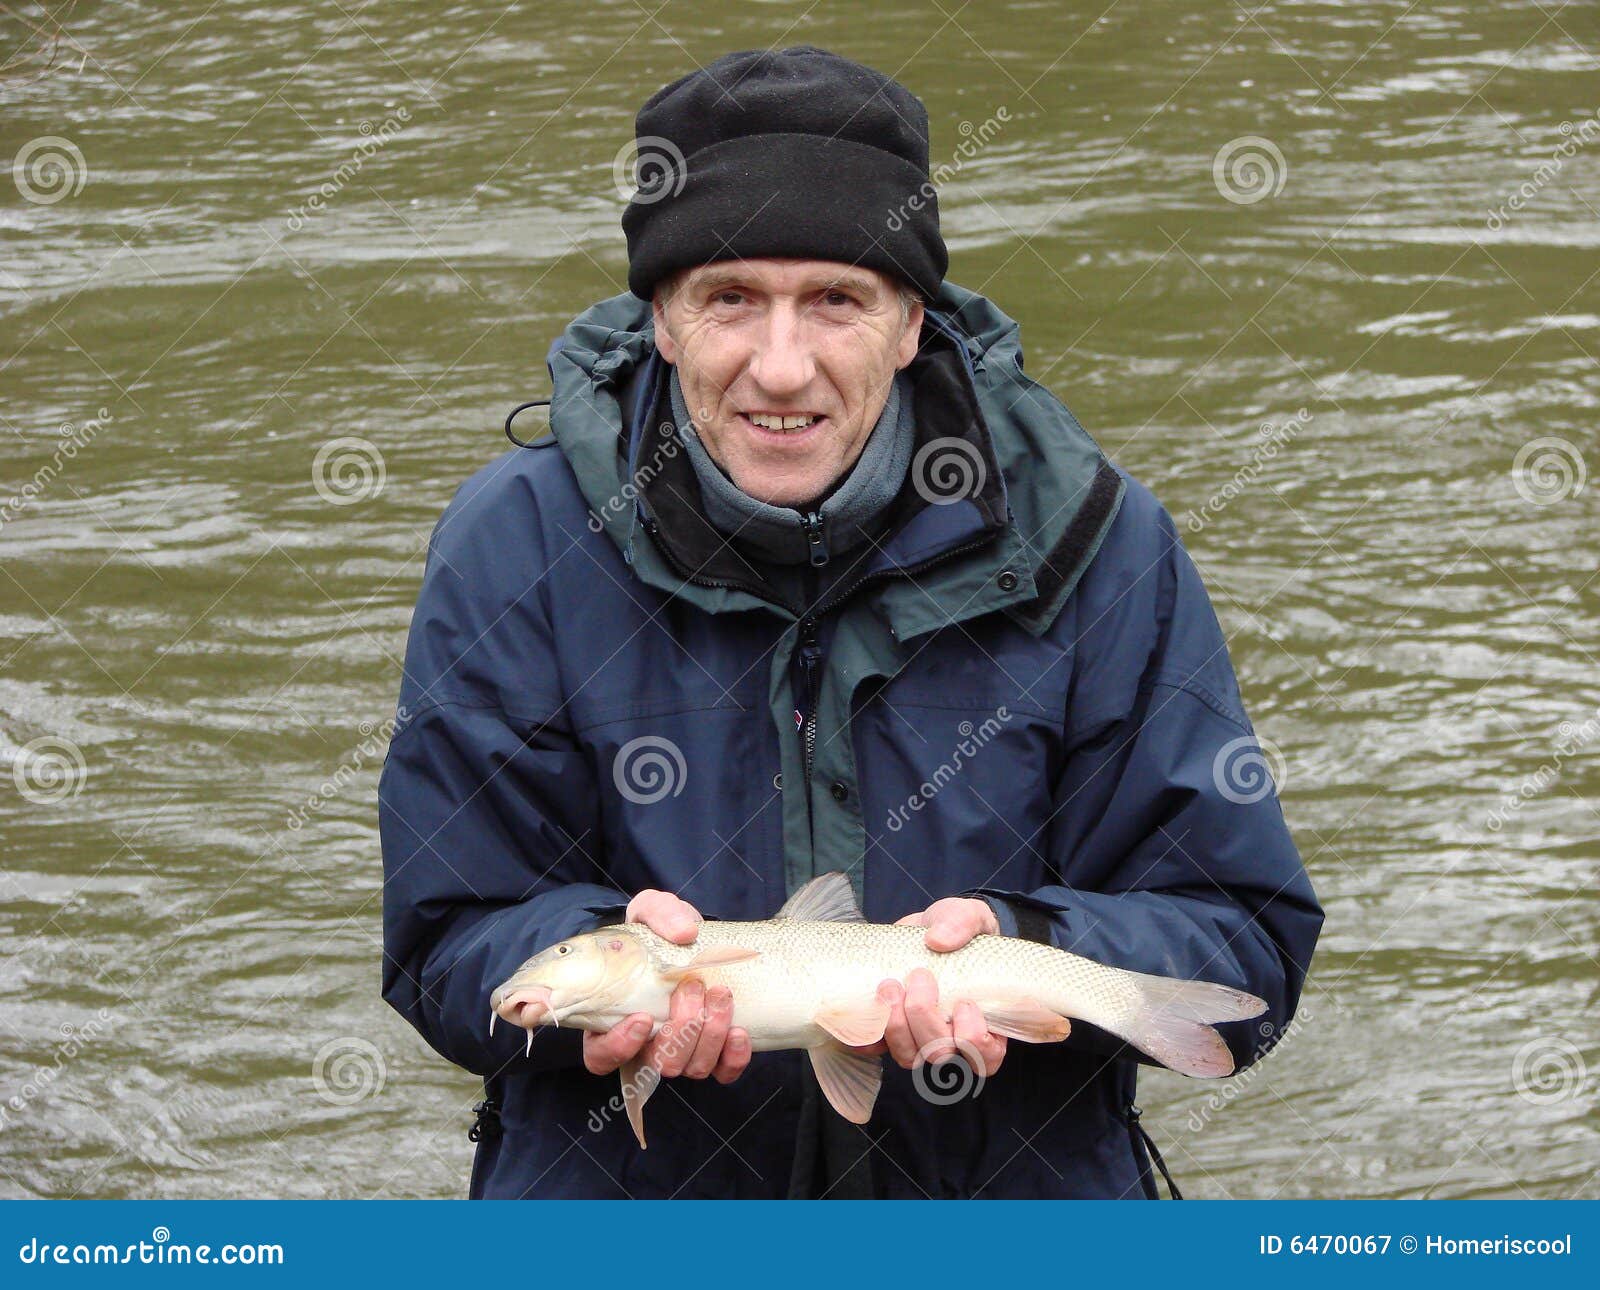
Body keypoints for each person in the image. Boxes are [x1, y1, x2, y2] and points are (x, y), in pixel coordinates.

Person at [378, 45, 1323, 1199]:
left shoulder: (1104, 542)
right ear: (663, 320)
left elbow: (1244, 938)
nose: (781, 367)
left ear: (911, 320)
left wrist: (1018, 952)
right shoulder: (510, 547)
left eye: (836, 299)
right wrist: (598, 997)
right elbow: (446, 942)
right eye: (729, 299)